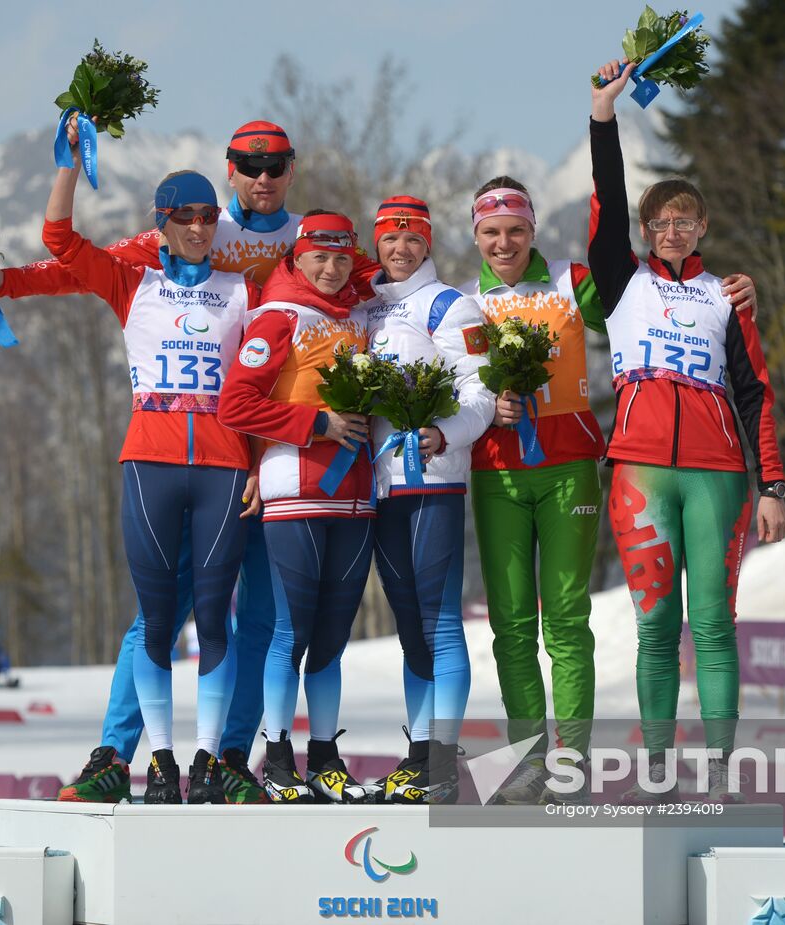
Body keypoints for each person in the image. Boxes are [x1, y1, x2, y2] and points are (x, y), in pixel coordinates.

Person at [0, 121, 301, 805]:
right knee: (161, 612)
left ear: (290, 169)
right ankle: (118, 754)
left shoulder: (312, 243)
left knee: (261, 617)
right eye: (248, 163)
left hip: (259, 457)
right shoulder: (169, 245)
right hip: (173, 457)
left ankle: (230, 756)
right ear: (229, 167)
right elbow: (74, 262)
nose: (262, 175)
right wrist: (3, 281)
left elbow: (354, 300)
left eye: (276, 164)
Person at [461, 91, 760, 805]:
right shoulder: (457, 304)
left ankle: (570, 760)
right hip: (497, 469)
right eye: (491, 232)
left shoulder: (575, 282)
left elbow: (651, 288)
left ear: (531, 230)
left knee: (568, 617)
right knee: (510, 625)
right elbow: (448, 383)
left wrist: (726, 283)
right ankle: (527, 758)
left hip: (573, 466)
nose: (504, 242)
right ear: (475, 238)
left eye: (515, 229)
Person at [585, 59, 785, 804]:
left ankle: (721, 769)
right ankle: (661, 768)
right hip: (640, 471)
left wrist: (773, 485)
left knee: (712, 624)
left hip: (718, 474)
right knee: (654, 625)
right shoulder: (622, 281)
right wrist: (603, 113)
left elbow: (755, 393)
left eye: (685, 220)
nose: (671, 229)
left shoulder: (725, 295)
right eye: (659, 221)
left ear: (701, 226)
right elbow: (606, 192)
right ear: (644, 231)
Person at [40, 132, 260, 803]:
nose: (197, 227)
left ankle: (207, 763)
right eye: (183, 217)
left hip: (224, 467)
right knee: (156, 620)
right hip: (149, 465)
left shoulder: (243, 289)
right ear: (160, 224)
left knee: (216, 620)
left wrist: (258, 463)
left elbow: (267, 384)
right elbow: (58, 240)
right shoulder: (132, 282)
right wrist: (70, 165)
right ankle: (157, 763)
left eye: (205, 216)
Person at [217, 211, 377, 804]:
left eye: (342, 259)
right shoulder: (278, 317)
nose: (333, 270)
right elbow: (235, 403)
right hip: (295, 491)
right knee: (292, 633)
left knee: (333, 638)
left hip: (358, 496)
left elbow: (378, 265)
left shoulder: (360, 315)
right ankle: (278, 756)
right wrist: (317, 423)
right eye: (320, 258)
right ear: (298, 258)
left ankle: (326, 758)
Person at [361, 197, 492, 803]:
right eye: (391, 239)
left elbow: (482, 391)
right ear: (377, 242)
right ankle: (419, 755)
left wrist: (446, 433)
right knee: (409, 627)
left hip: (435, 479)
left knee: (438, 622)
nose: (401, 249)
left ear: (428, 244)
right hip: (381, 485)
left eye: (413, 240)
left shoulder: (452, 305)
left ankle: (441, 757)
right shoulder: (365, 303)